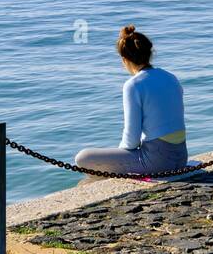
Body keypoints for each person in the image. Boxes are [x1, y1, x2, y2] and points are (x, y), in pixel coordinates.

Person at [73, 26, 187, 180]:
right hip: (181, 157)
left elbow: (131, 140)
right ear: (149, 53)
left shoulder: (133, 84)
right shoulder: (170, 77)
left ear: (124, 60)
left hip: (158, 163)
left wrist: (121, 157)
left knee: (83, 158)